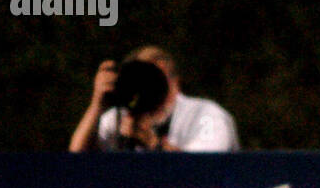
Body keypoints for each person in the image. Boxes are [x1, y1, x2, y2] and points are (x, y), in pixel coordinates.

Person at [69, 45, 239, 152]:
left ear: (172, 80)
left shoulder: (206, 115)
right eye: (139, 77)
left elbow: (207, 173)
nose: (147, 84)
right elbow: (77, 161)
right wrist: (97, 105)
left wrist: (153, 143)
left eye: (154, 77)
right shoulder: (117, 118)